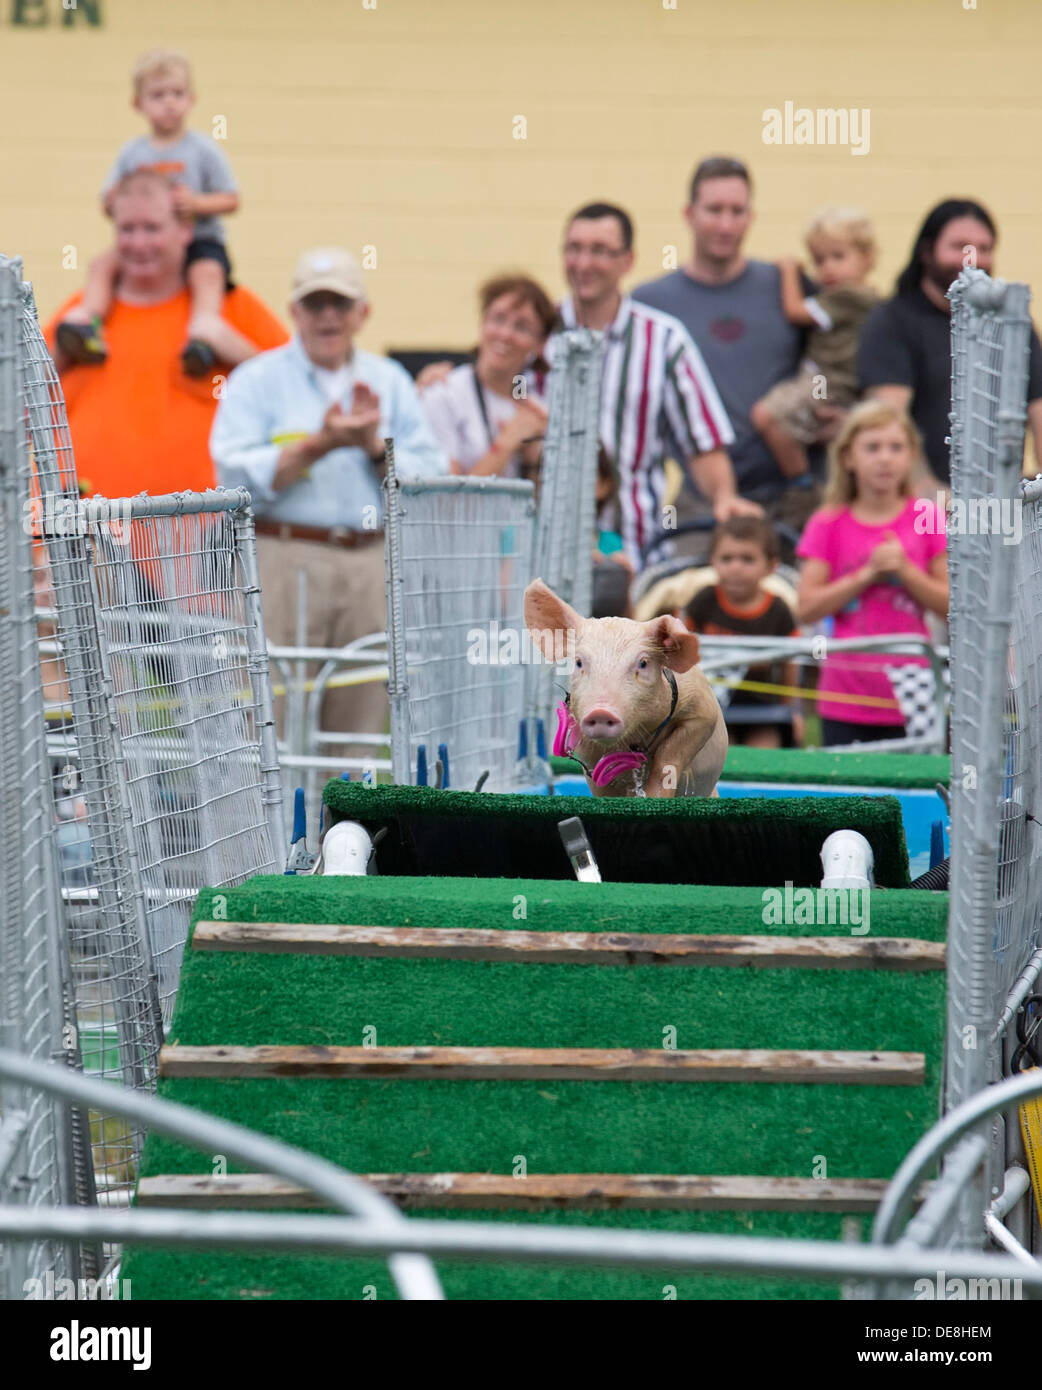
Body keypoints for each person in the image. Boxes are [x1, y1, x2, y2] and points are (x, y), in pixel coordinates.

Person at [210, 247, 447, 749]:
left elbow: (431, 476)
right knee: (269, 719)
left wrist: (370, 448)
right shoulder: (256, 379)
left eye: (339, 304)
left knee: (358, 721)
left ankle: (344, 827)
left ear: (363, 313)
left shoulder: (391, 382)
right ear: (294, 311)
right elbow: (230, 475)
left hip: (369, 562)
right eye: (315, 304)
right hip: (280, 559)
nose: (327, 316)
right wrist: (318, 444)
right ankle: (272, 831)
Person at [44, 170, 287, 499]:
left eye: (152, 228)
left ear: (186, 230)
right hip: (84, 537)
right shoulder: (82, 314)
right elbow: (20, 401)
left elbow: (294, 395)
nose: (138, 243)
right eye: (127, 229)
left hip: (207, 541)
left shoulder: (232, 307)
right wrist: (62, 350)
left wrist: (234, 348)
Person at [632, 157, 828, 545]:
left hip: (787, 498)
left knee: (790, 605)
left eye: (736, 211)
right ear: (689, 214)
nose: (725, 224)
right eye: (713, 210)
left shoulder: (787, 289)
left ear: (751, 216)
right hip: (696, 498)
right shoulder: (649, 304)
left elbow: (838, 356)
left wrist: (841, 410)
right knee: (679, 598)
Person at [556, 200, 757, 573]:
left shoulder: (663, 339)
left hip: (634, 552)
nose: (583, 263)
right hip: (546, 551)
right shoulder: (539, 331)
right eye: (574, 248)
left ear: (627, 261)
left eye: (599, 250)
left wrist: (725, 498)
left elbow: (702, 444)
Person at [55, 48, 257, 379]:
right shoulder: (133, 152)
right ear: (139, 103)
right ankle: (89, 321)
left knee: (206, 274)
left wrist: (196, 204)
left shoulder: (202, 149)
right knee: (101, 265)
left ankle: (203, 330)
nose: (169, 103)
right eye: (158, 95)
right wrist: (119, 201)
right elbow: (108, 199)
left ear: (192, 99)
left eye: (177, 94)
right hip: (142, 252)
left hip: (202, 241)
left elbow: (232, 199)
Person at [858, 198, 1042, 487]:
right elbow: (889, 421)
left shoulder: (1012, 323)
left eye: (984, 249)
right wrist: (935, 498)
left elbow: (1038, 409)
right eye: (960, 247)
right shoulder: (891, 321)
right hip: (925, 511)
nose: (973, 260)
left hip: (1001, 506)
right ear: (927, 251)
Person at [796, 401, 948, 747]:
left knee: (915, 790)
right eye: (873, 447)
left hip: (916, 687)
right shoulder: (827, 523)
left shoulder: (927, 517)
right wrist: (866, 574)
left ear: (911, 456)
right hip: (844, 692)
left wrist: (905, 570)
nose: (885, 458)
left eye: (896, 447)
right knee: (848, 793)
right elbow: (806, 607)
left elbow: (951, 605)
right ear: (848, 457)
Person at [751, 208, 879, 483]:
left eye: (838, 256)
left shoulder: (849, 297)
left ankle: (800, 483)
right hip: (828, 384)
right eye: (819, 260)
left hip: (828, 383)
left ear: (867, 259)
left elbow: (796, 312)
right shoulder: (852, 297)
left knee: (766, 416)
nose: (827, 268)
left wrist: (788, 271)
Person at [419, 273, 554, 479]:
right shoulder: (444, 394)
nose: (506, 334)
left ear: (540, 343)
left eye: (522, 327)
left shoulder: (537, 407)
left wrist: (533, 458)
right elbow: (447, 499)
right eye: (498, 319)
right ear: (482, 323)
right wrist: (507, 442)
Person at [683, 516, 800, 749]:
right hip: (709, 708)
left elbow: (791, 663)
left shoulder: (778, 610)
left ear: (771, 567)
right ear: (712, 562)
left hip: (763, 712)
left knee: (764, 755)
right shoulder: (703, 602)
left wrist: (792, 710)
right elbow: (680, 650)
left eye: (747, 559)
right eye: (726, 559)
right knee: (719, 752)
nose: (735, 567)